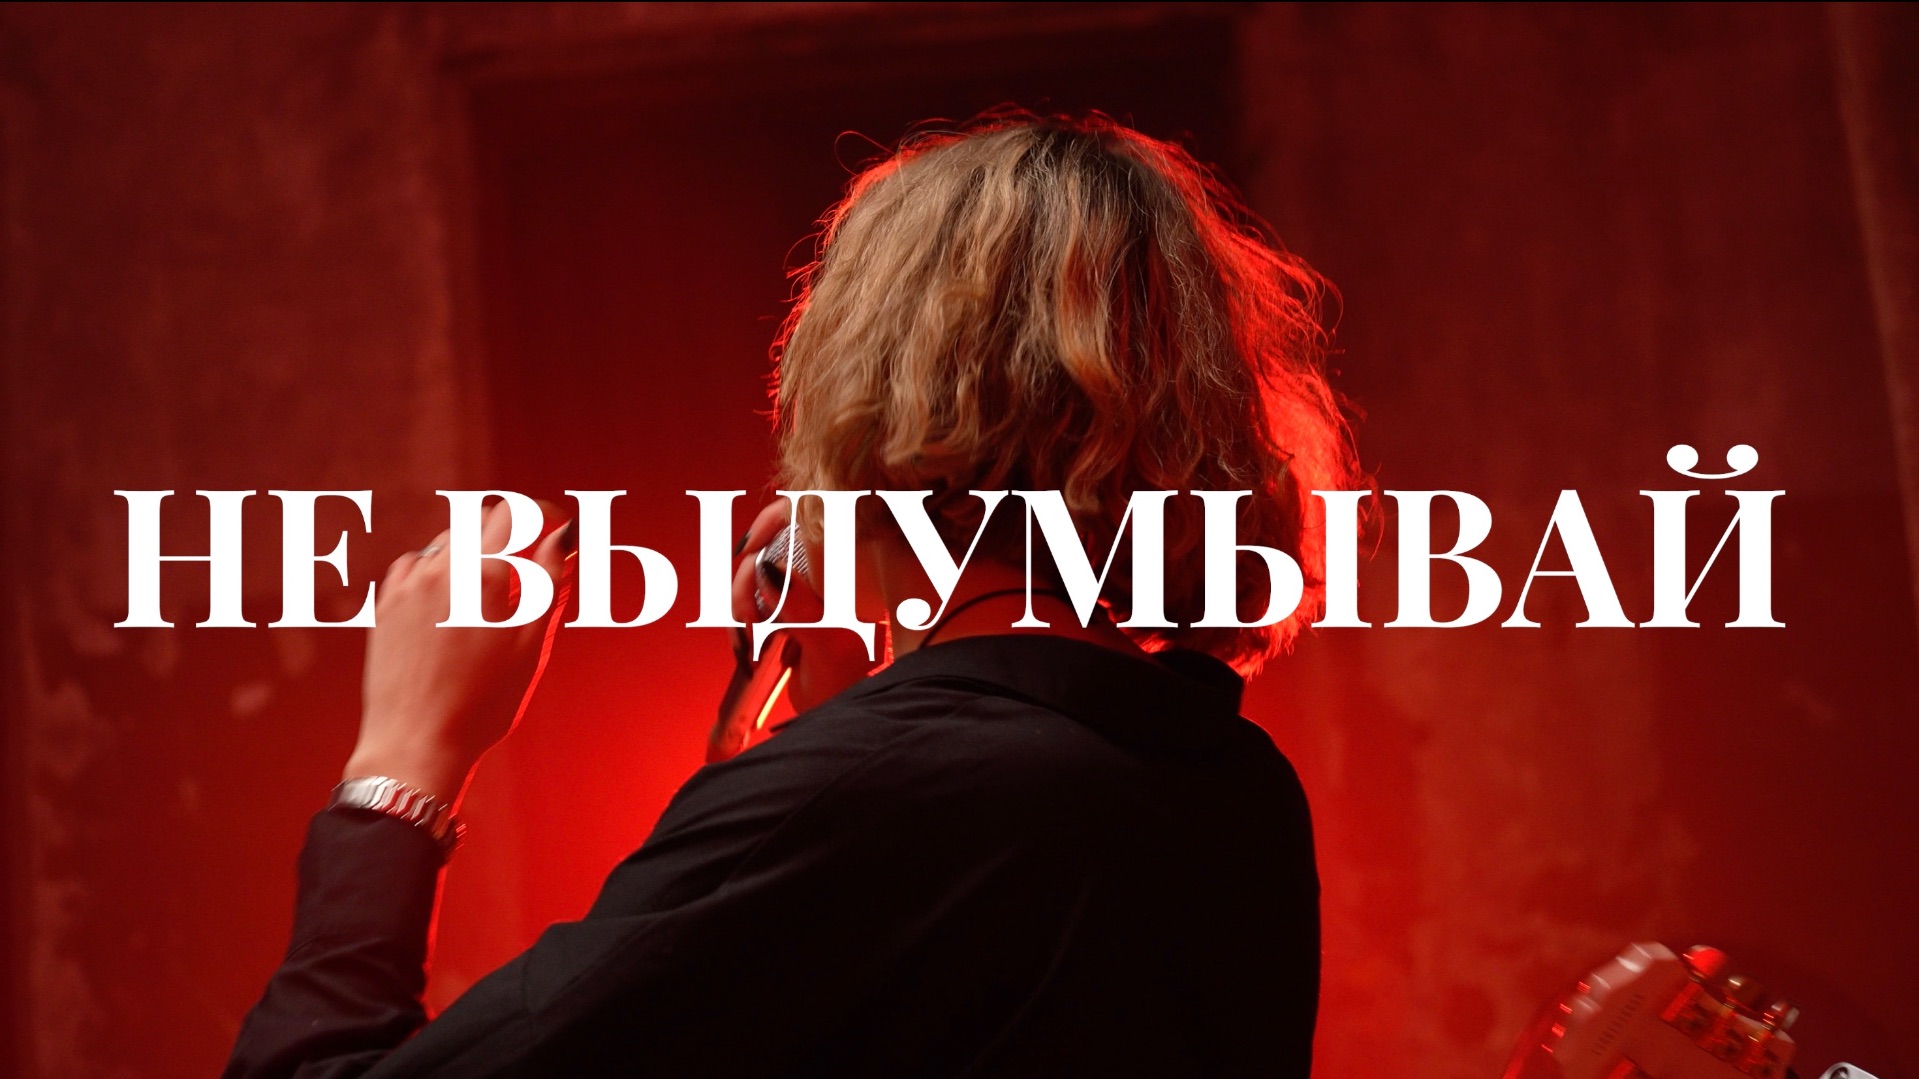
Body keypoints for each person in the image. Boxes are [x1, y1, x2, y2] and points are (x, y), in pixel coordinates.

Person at [225, 111, 1357, 1078]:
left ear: (866, 393)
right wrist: (838, 708)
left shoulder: (880, 789)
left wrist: (401, 764)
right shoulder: (1237, 794)